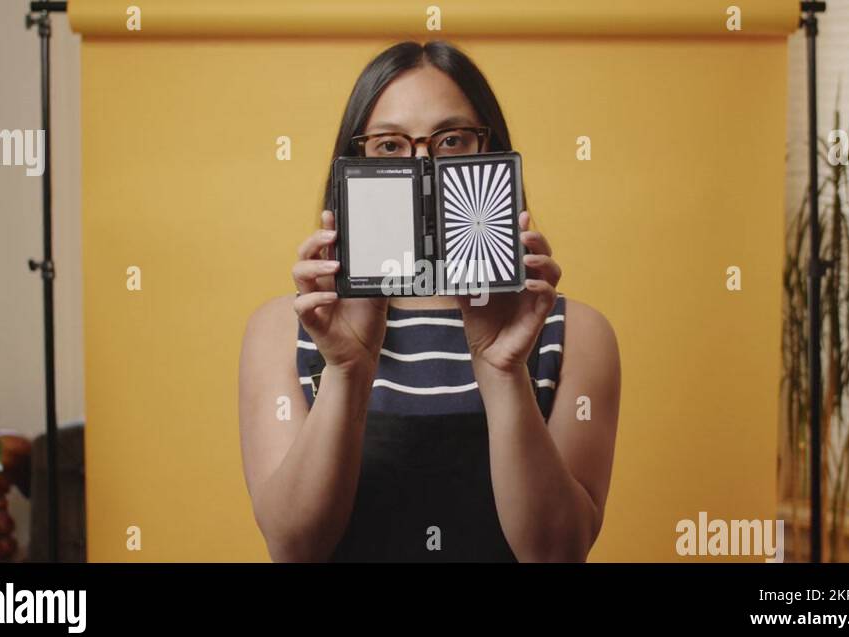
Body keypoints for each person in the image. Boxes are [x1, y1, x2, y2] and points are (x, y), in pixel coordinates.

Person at [239, 41, 620, 562]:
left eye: (452, 140)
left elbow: (557, 554)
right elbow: (294, 548)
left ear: (492, 154)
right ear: (353, 165)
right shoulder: (284, 331)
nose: (423, 168)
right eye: (390, 146)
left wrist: (503, 370)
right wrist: (348, 371)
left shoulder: (575, 333)